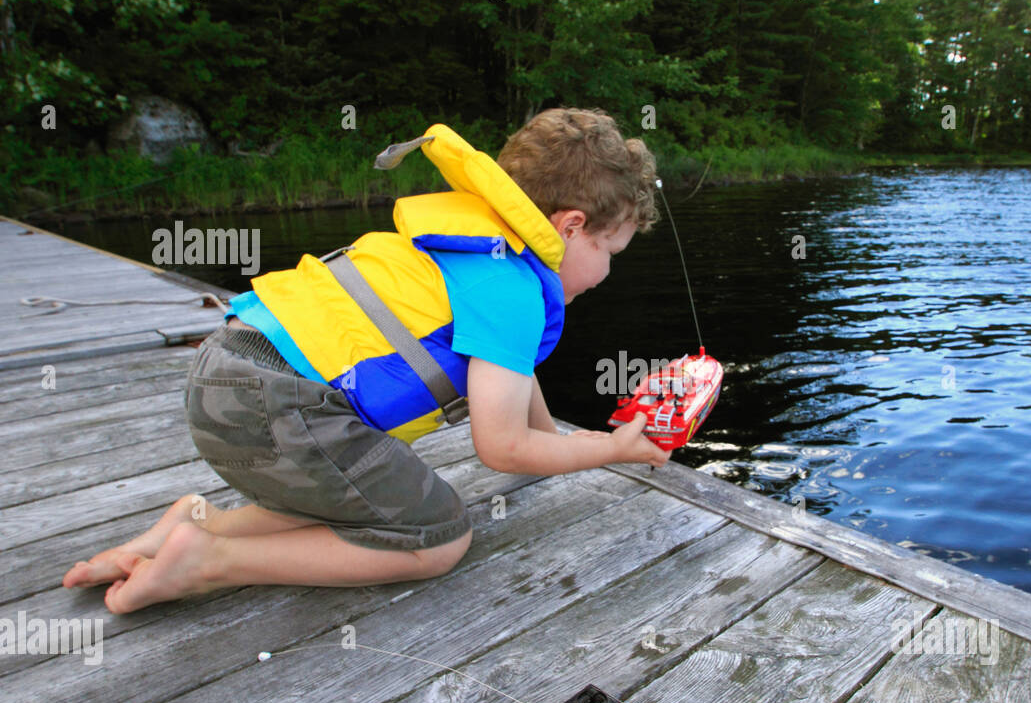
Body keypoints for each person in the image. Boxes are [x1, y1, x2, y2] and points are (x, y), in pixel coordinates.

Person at [62, 107, 669, 614]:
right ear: (570, 226)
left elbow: (523, 411)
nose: (608, 271)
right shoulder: (511, 290)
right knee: (438, 536)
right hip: (278, 405)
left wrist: (559, 446)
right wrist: (611, 448)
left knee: (357, 497)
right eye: (609, 249)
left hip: (226, 373)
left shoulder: (480, 251)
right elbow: (502, 449)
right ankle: (211, 562)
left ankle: (193, 525)